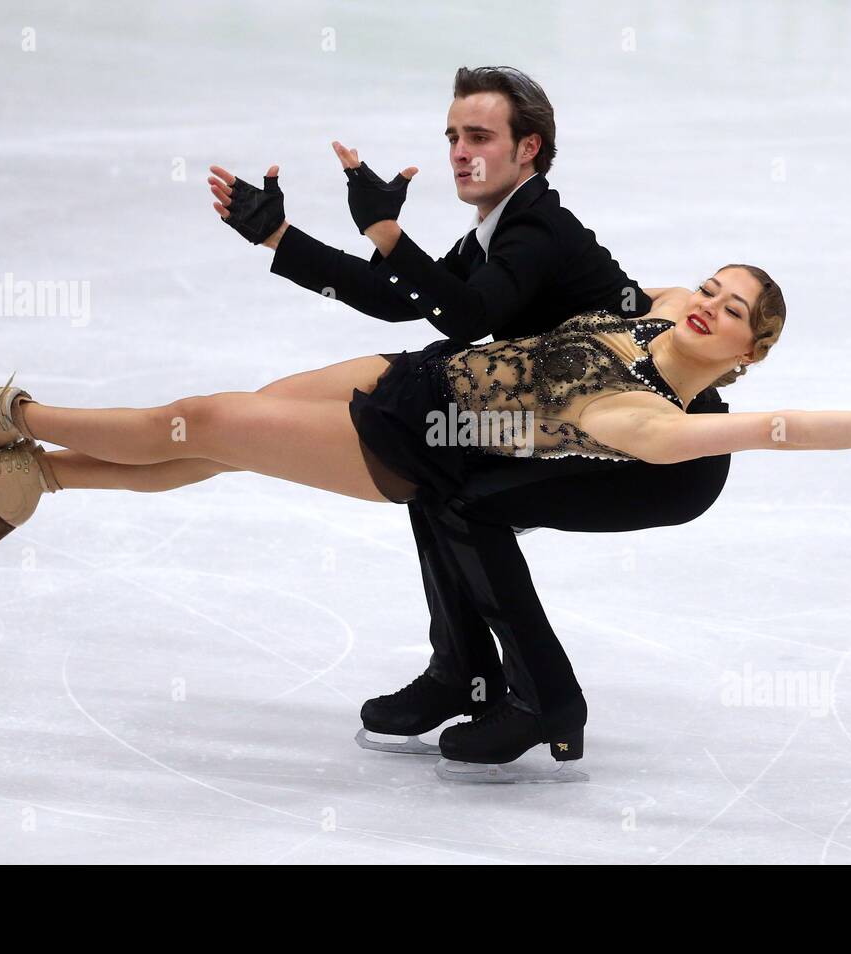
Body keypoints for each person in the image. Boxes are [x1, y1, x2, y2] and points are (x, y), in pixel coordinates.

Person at [0, 266, 851, 773]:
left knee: (200, 420)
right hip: (414, 372)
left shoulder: (654, 422)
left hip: (413, 445)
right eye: (715, 281)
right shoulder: (651, 307)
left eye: (736, 311)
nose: (710, 298)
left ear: (747, 352)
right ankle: (36, 485)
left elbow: (784, 429)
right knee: (225, 430)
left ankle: (10, 419)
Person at [207, 66, 738, 766]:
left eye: (479, 136)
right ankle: (465, 675)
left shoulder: (538, 233)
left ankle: (544, 699)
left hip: (661, 455)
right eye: (453, 135)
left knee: (464, 497)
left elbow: (466, 315)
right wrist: (278, 235)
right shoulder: (501, 228)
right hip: (586, 428)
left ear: (529, 149)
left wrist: (390, 233)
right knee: (436, 475)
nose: (460, 151)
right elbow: (403, 299)